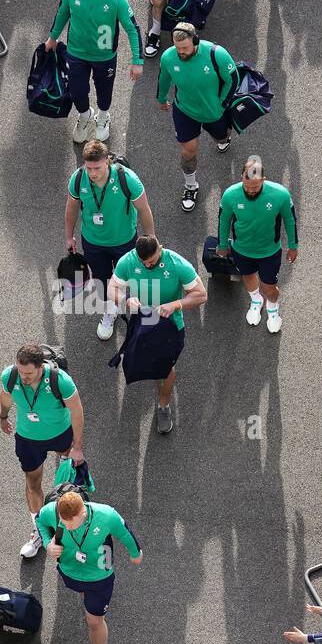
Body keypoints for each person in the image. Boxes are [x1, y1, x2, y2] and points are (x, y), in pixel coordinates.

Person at [39, 488, 142, 644]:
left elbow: (124, 532)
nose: (65, 527)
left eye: (71, 523)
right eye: (63, 522)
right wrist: (47, 544)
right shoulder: (54, 511)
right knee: (86, 602)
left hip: (99, 577)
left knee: (94, 621)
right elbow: (41, 522)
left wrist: (135, 553)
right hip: (69, 570)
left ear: (83, 514)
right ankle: (89, 604)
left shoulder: (106, 515)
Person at [107, 234, 207, 432]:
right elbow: (112, 289)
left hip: (169, 326)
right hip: (141, 322)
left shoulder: (177, 264)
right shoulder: (128, 261)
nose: (148, 266)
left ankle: (163, 405)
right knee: (141, 358)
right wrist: (126, 299)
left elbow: (201, 294)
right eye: (144, 263)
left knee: (166, 368)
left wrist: (175, 304)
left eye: (152, 261)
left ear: (160, 248)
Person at [0, 343, 85, 558]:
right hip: (28, 439)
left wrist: (77, 447)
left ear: (40, 367)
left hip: (60, 434)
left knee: (69, 480)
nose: (23, 377)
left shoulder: (59, 380)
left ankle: (73, 522)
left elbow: (76, 411)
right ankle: (39, 531)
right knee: (32, 482)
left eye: (28, 373)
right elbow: (6, 396)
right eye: (20, 371)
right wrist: (3, 416)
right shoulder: (10, 377)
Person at [45, 0, 144, 145]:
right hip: (76, 53)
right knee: (76, 91)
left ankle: (103, 116)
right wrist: (52, 37)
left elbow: (133, 28)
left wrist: (137, 61)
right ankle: (84, 115)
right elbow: (62, 13)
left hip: (104, 57)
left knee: (104, 91)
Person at [64, 140, 155, 341]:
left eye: (97, 167)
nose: (92, 173)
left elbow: (144, 209)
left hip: (124, 241)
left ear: (108, 162)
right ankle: (110, 311)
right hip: (93, 242)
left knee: (130, 277)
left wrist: (151, 241)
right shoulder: (78, 179)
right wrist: (69, 236)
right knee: (102, 281)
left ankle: (142, 314)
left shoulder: (127, 179)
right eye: (88, 168)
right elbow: (71, 207)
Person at [155, 23, 238, 211]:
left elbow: (233, 80)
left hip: (213, 111)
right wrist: (160, 98)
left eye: (184, 48)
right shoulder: (169, 57)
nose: (181, 52)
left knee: (221, 137)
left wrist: (222, 104)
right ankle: (191, 186)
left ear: (195, 41)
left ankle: (224, 136)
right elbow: (163, 79)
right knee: (188, 151)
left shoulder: (217, 54)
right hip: (185, 110)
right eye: (177, 48)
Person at [214, 155, 299, 333]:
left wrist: (293, 246)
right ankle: (256, 300)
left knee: (269, 288)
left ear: (263, 180)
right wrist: (222, 245)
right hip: (241, 250)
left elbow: (290, 220)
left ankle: (273, 309)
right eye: (247, 186)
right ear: (242, 178)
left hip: (269, 251)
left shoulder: (280, 194)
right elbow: (223, 221)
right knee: (248, 276)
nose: (251, 191)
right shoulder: (230, 195)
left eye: (255, 187)